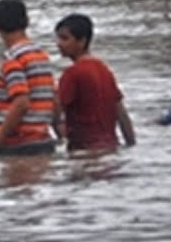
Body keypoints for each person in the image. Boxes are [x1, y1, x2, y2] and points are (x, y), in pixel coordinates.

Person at [0, 0, 58, 157]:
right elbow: (53, 98)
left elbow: (21, 103)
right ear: (27, 21)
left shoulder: (12, 59)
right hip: (42, 139)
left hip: (18, 144)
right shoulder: (41, 55)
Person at [55, 14, 136, 153]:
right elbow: (121, 113)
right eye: (58, 38)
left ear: (82, 41)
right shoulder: (104, 69)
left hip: (85, 150)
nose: (59, 43)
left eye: (65, 38)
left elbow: (55, 111)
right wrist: (131, 145)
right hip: (110, 148)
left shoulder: (72, 73)